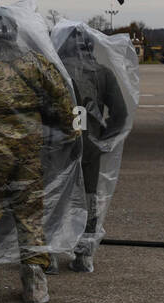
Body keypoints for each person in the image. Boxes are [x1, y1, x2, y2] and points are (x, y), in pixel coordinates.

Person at [0, 4, 81, 303]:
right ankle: (35, 282)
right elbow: (64, 101)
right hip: (28, 153)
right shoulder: (35, 63)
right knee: (30, 215)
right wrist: (71, 133)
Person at [53, 21, 138, 272]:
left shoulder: (54, 71)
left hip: (59, 146)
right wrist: (102, 139)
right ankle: (83, 255)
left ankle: (49, 256)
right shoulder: (102, 73)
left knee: (56, 197)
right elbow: (121, 113)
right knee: (88, 199)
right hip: (90, 147)